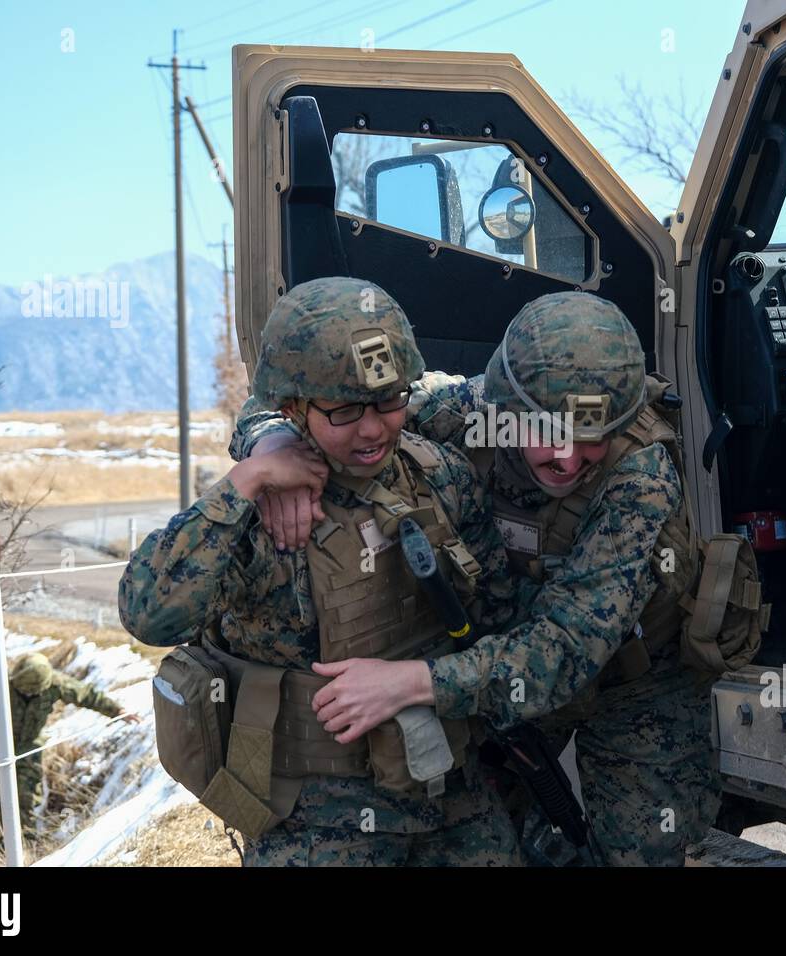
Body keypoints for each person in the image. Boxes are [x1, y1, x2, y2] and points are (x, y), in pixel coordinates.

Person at [235, 292, 758, 865]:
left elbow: (564, 650)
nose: (567, 457)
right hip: (494, 666)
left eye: (591, 435)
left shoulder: (641, 476)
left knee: (638, 853)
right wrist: (275, 447)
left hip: (632, 685)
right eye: (548, 430)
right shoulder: (468, 410)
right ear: (507, 410)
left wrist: (410, 682)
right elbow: (297, 396)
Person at [119, 276, 530, 866]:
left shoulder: (438, 475)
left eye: (389, 402)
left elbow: (499, 613)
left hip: (447, 787)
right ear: (293, 409)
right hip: (314, 821)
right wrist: (248, 481)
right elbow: (148, 612)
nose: (372, 428)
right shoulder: (263, 518)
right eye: (343, 412)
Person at [0, 652, 137, 853]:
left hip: (29, 747)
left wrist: (117, 711)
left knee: (27, 799)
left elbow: (86, 695)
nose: (31, 695)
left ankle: (26, 851)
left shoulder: (54, 682)